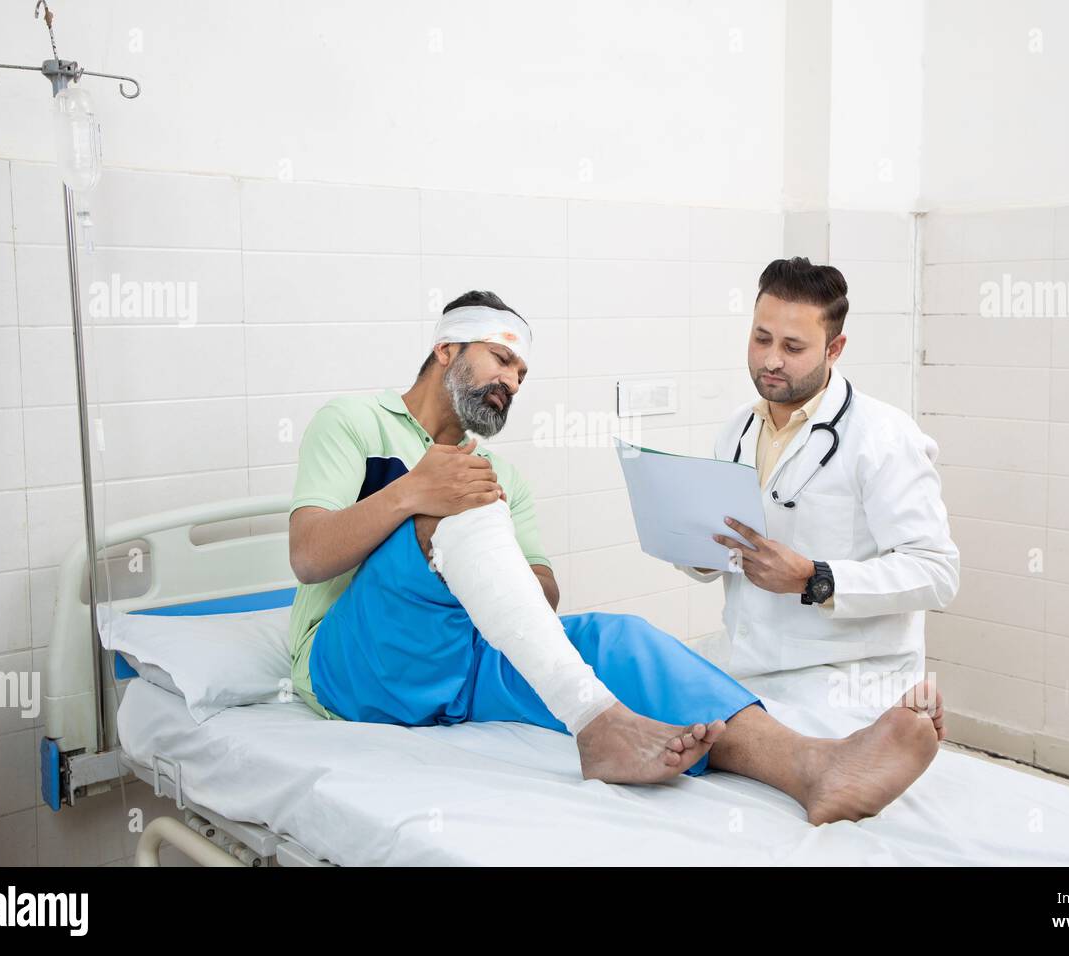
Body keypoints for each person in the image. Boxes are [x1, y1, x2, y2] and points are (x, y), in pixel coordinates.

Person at [286, 289, 945, 824]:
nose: (510, 382)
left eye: (520, 374)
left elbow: (540, 598)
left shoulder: (496, 477)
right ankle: (595, 724)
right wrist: (415, 496)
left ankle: (812, 766)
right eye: (498, 359)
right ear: (446, 348)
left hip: (462, 662)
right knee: (449, 495)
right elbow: (309, 557)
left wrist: (482, 559)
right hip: (356, 662)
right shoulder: (352, 421)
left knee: (616, 637)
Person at [681, 257, 960, 724]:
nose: (771, 360)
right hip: (751, 664)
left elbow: (937, 573)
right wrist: (692, 547)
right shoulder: (737, 429)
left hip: (848, 678)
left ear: (835, 348)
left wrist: (814, 579)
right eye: (761, 338)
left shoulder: (883, 435)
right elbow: (721, 549)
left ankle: (900, 731)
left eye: (793, 346)